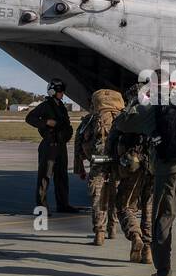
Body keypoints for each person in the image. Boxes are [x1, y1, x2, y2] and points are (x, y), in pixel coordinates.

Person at [114, 70, 176, 276]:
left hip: (167, 172)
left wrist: (136, 100)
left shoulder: (152, 106)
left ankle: (164, 272)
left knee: (163, 221)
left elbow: (122, 123)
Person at [109, 85, 154, 264]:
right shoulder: (156, 112)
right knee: (149, 209)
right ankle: (148, 251)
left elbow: (113, 138)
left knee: (125, 205)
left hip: (132, 165)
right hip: (153, 165)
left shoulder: (129, 114)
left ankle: (135, 236)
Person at [73, 89, 124, 245]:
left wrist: (80, 168)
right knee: (115, 195)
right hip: (117, 162)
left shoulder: (89, 120)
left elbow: (79, 145)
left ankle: (99, 233)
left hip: (98, 161)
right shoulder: (122, 119)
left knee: (98, 196)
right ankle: (113, 229)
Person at [26, 79, 79, 214]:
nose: (62, 93)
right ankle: (41, 207)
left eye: (62, 91)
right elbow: (30, 118)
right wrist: (46, 122)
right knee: (46, 176)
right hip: (50, 146)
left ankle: (63, 205)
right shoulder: (45, 105)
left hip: (61, 146)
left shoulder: (61, 106)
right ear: (52, 91)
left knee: (62, 176)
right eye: (60, 91)